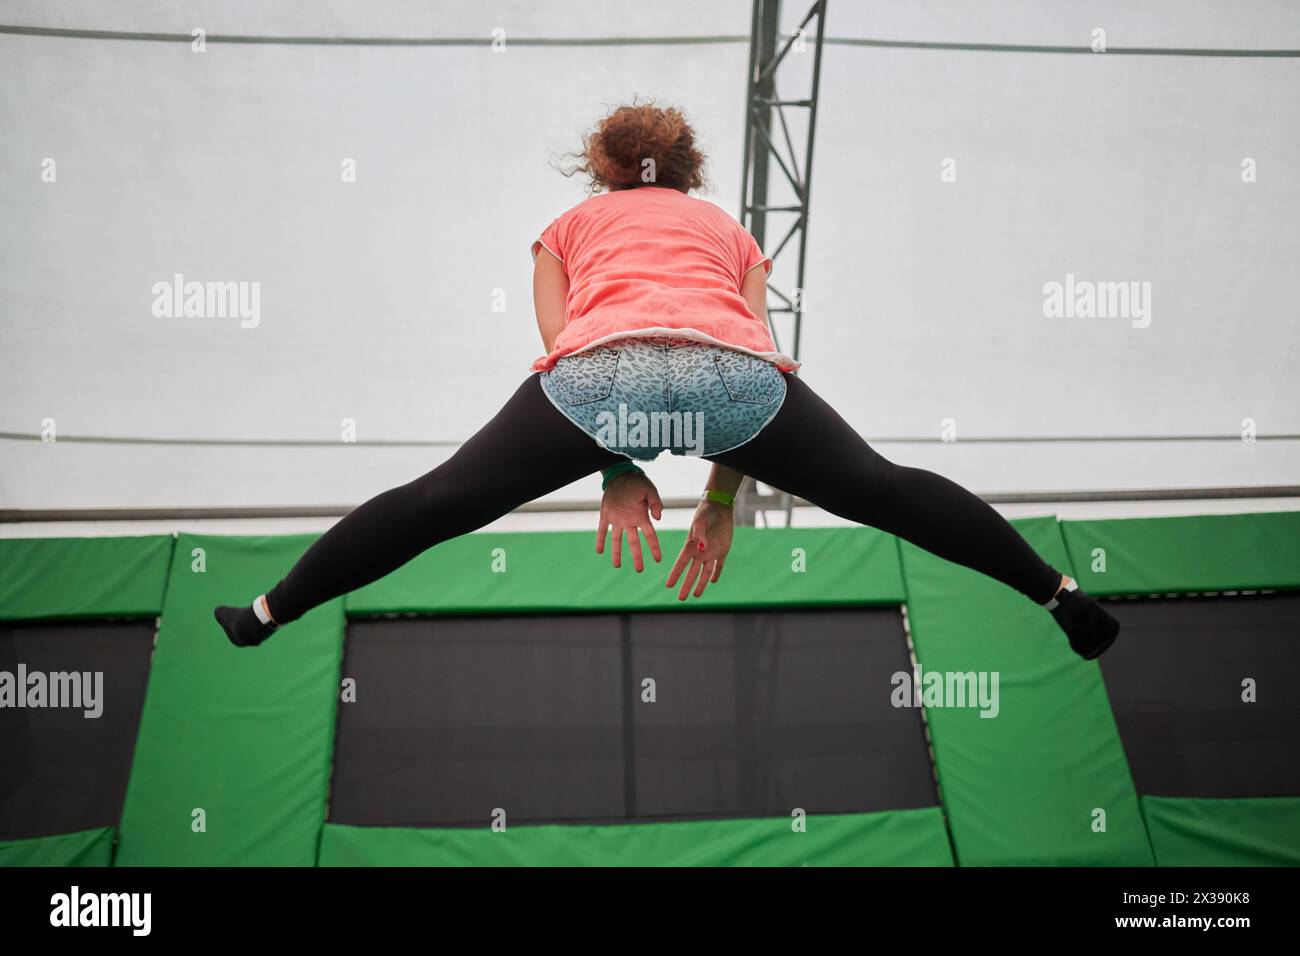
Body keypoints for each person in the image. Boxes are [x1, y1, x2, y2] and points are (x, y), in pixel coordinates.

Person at [215, 101, 1119, 660]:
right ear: (687, 171)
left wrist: (615, 461)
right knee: (883, 488)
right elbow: (754, 341)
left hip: (599, 378)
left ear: (601, 171)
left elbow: (560, 339)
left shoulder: (567, 227)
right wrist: (719, 499)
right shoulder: (731, 233)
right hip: (735, 380)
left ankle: (266, 611)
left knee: (439, 501)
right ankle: (1061, 597)